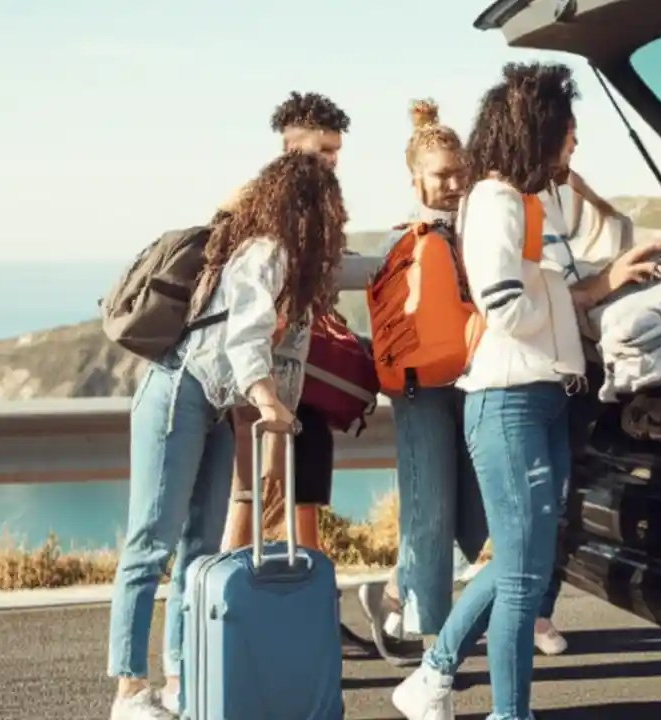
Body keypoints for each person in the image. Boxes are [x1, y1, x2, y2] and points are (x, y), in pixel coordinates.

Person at [391, 62, 661, 720]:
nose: (573, 145)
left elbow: (538, 298)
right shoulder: (494, 201)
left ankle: (431, 679)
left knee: (528, 559)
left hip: (538, 396)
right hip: (509, 400)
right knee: (521, 573)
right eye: (566, 134)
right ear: (538, 134)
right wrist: (556, 292)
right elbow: (506, 305)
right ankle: (507, 712)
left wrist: (604, 284)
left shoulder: (525, 201)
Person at [107, 151, 348, 720]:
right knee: (151, 543)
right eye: (323, 209)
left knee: (201, 550)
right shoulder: (264, 252)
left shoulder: (285, 260)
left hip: (214, 403)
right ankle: (128, 689)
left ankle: (181, 678)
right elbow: (245, 338)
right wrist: (268, 402)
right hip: (178, 391)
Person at [355, 99, 489, 662]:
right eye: (441, 175)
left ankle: (390, 594)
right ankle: (434, 648)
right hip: (421, 393)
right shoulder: (401, 243)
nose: (455, 184)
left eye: (461, 172)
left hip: (476, 382)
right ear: (415, 180)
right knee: (430, 513)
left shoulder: (482, 229)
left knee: (474, 518)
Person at [221, 91, 352, 554]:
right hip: (258, 381)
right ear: (290, 148)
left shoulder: (316, 204)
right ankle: (232, 603)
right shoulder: (255, 204)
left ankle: (313, 612)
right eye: (323, 151)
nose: (333, 161)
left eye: (336, 151)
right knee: (251, 501)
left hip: (299, 374)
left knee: (302, 493)